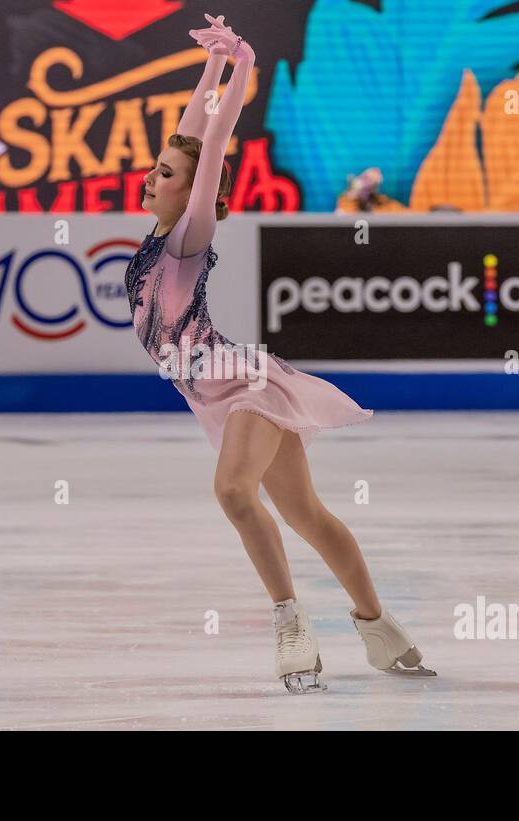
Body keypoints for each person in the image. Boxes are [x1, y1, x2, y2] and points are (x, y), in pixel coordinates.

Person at [126, 13, 435, 694]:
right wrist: (211, 65)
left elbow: (210, 146)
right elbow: (190, 133)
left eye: (163, 174)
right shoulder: (155, 236)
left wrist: (242, 69)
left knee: (234, 493)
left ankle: (291, 626)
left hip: (243, 388)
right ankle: (380, 626)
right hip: (212, 400)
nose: (151, 177)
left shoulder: (188, 234)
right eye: (154, 169)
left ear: (193, 191)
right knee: (308, 516)